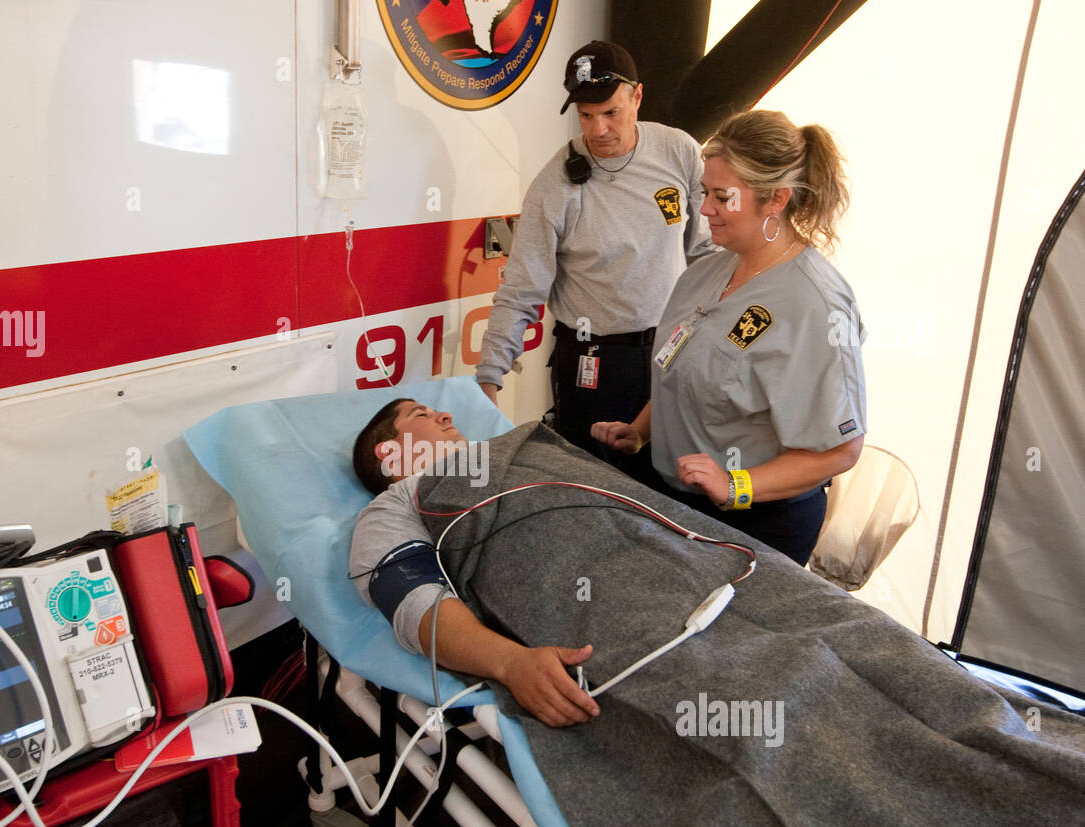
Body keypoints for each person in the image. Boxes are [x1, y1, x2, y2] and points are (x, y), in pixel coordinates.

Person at [592, 109, 866, 566]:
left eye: (723, 197)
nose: (705, 209)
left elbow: (841, 448)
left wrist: (735, 485)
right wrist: (640, 432)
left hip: (755, 525)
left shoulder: (816, 305)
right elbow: (686, 370)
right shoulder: (707, 272)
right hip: (674, 501)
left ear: (775, 199)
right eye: (705, 193)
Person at [476, 41, 713, 476]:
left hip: (672, 351)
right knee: (593, 485)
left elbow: (706, 253)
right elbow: (522, 289)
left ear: (637, 97)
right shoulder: (555, 185)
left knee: (672, 484)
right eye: (585, 115)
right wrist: (488, 381)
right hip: (594, 362)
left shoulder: (679, 152)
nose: (598, 129)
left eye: (610, 112)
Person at [349, 398, 600, 728]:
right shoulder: (392, 508)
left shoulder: (511, 457)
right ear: (388, 451)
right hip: (591, 608)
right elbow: (417, 603)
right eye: (421, 414)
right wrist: (511, 663)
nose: (446, 415)